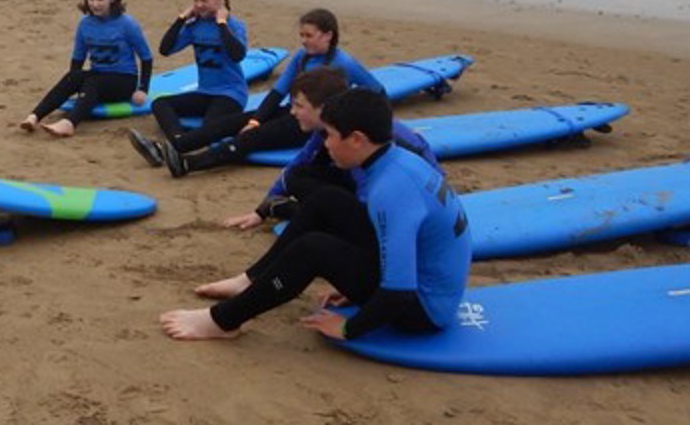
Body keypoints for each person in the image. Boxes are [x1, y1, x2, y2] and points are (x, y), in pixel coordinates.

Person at [160, 87, 471, 342]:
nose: (325, 144)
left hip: (423, 309)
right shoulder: (397, 158)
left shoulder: (390, 190)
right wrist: (355, 282)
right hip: (424, 276)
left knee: (314, 249)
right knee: (326, 200)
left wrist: (350, 327)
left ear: (357, 139)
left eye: (330, 135)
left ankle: (224, 321)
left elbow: (398, 293)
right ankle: (249, 281)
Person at [164, 9, 386, 177]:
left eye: (309, 35)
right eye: (302, 35)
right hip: (291, 113)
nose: (304, 40)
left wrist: (351, 126)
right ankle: (178, 145)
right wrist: (255, 119)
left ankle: (187, 164)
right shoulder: (302, 57)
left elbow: (378, 92)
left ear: (328, 35)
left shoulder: (343, 62)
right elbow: (278, 92)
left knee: (249, 138)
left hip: (310, 128)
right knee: (231, 123)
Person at [221, 67, 436, 229]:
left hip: (413, 194)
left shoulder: (355, 138)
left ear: (323, 108)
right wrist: (261, 211)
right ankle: (298, 212)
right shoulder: (330, 127)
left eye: (298, 105)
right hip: (379, 187)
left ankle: (308, 215)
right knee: (299, 175)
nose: (292, 112)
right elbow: (299, 163)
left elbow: (369, 188)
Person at [127, 0, 248, 169]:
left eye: (204, 0)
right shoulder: (194, 27)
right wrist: (181, 18)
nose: (199, 5)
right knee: (160, 104)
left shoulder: (235, 25)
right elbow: (165, 49)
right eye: (195, 0)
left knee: (208, 128)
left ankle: (161, 148)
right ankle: (179, 140)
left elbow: (237, 55)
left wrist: (222, 23)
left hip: (231, 95)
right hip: (205, 92)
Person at [17, 0, 153, 137]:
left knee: (92, 82)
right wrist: (73, 84)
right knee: (73, 76)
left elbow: (146, 57)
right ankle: (34, 117)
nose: (95, 4)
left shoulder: (127, 24)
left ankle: (69, 124)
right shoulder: (85, 24)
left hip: (124, 80)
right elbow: (78, 58)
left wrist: (143, 89)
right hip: (98, 77)